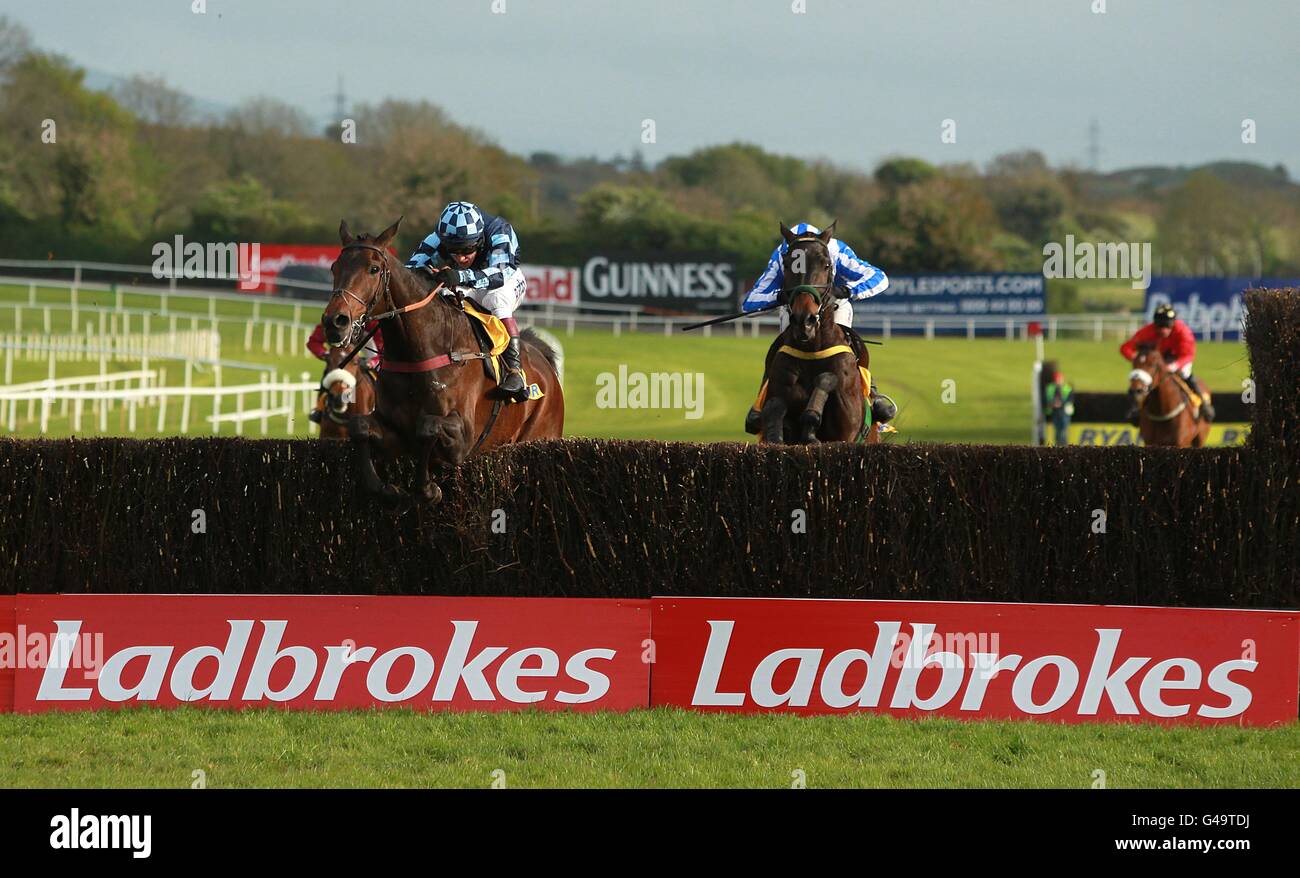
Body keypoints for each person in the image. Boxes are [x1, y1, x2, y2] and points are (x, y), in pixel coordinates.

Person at [740, 222, 894, 433]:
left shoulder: (836, 249)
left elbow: (878, 278)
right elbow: (750, 302)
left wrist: (845, 291)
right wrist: (779, 296)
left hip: (833, 307)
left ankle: (871, 395)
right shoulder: (781, 253)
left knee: (852, 342)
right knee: (778, 349)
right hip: (795, 310)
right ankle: (762, 402)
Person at [406, 201, 528, 399]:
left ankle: (515, 372)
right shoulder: (439, 235)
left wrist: (460, 276)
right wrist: (427, 273)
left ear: (479, 239)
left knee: (496, 298)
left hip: (507, 279)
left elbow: (499, 275)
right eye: (453, 251)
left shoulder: (499, 230)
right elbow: (410, 269)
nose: (461, 258)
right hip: (468, 281)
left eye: (468, 250)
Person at [1119, 302, 1215, 423]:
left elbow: (1188, 355)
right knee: (1139, 381)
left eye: (1167, 325)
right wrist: (1135, 358)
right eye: (1160, 326)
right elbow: (1125, 348)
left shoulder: (1183, 332)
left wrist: (1174, 366)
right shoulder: (1147, 331)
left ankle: (1203, 404)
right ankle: (1135, 410)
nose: (1163, 330)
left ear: (1173, 323)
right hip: (1157, 362)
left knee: (1185, 373)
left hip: (1178, 360)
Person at [306, 322, 382, 424]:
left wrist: (372, 362)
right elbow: (313, 342)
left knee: (383, 376)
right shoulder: (336, 320)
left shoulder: (374, 324)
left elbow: (384, 351)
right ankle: (320, 408)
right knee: (331, 373)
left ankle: (384, 410)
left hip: (371, 353)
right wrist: (325, 354)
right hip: (343, 355)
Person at [1043, 370, 1074, 446]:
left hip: (1065, 412)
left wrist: (1061, 404)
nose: (1058, 381)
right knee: (1057, 431)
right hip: (1055, 411)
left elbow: (1070, 399)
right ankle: (1058, 446)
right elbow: (1047, 398)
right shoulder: (1050, 388)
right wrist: (1052, 404)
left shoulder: (1067, 388)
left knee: (1063, 430)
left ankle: (1064, 446)